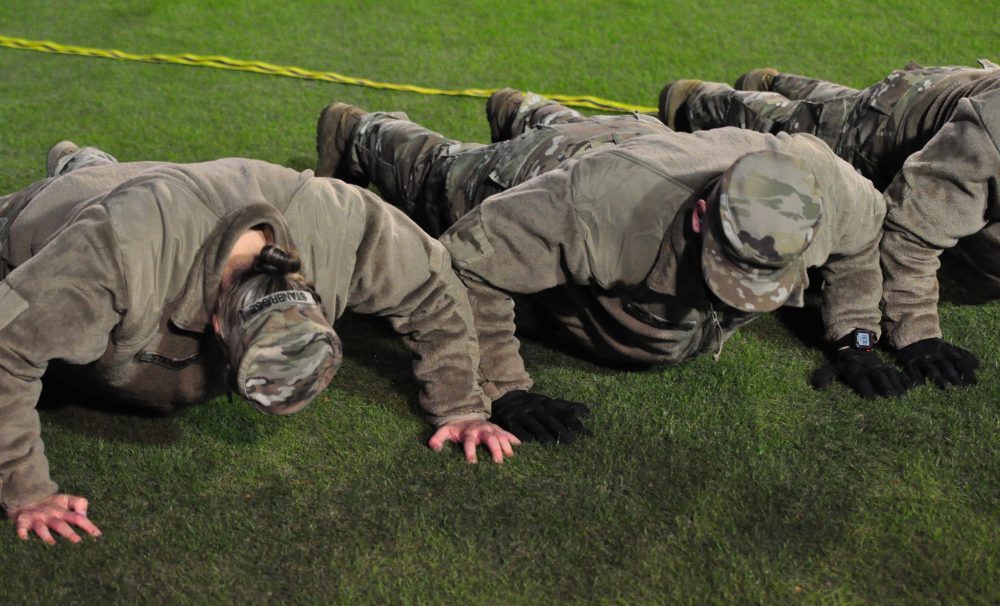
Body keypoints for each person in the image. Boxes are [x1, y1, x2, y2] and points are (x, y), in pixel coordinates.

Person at [0, 143, 521, 544]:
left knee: (120, 180)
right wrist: (25, 492)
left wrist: (460, 407)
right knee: (72, 196)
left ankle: (88, 163)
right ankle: (77, 166)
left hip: (170, 195)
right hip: (57, 218)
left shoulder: (340, 226)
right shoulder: (113, 258)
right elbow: (7, 350)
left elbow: (434, 286)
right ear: (219, 326)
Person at [314, 90, 909, 430]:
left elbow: (864, 241)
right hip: (557, 172)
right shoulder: (598, 209)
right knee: (445, 174)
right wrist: (503, 388)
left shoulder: (827, 191)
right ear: (702, 219)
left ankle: (522, 106)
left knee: (599, 139)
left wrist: (855, 338)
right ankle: (366, 128)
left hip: (641, 141)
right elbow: (467, 264)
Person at [658, 61, 1000, 388]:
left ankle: (771, 82)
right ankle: (694, 100)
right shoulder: (990, 138)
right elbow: (909, 232)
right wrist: (917, 331)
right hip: (898, 121)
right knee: (810, 133)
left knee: (853, 108)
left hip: (946, 99)